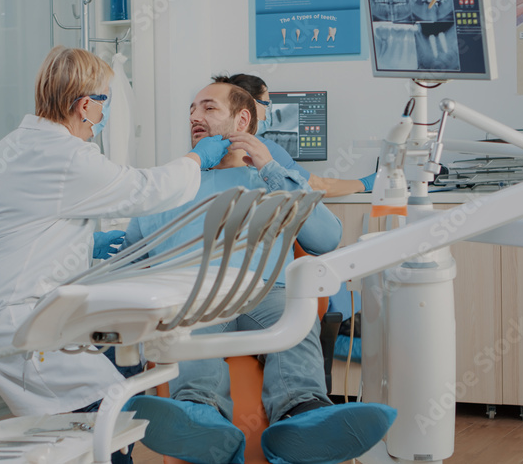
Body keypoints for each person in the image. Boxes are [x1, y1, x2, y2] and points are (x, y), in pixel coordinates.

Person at [0, 46, 231, 463]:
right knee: (105, 410)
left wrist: (81, 245)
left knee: (112, 351)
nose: (105, 114)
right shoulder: (66, 156)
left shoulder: (11, 148)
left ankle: (122, 419)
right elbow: (143, 190)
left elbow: (20, 225)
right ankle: (114, 432)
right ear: (85, 105)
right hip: (1, 312)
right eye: (105, 101)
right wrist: (196, 160)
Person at [124, 82, 396, 464]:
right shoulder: (174, 182)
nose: (194, 118)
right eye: (190, 110)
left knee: (294, 324)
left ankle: (302, 416)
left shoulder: (272, 180)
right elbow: (132, 246)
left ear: (242, 119)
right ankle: (200, 421)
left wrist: (271, 169)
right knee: (190, 332)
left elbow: (326, 238)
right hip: (198, 293)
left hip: (267, 292)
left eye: (208, 108)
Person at [227, 73, 375, 198]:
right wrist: (365, 183)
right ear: (251, 105)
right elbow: (315, 186)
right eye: (266, 104)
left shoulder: (213, 142)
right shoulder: (260, 146)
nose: (268, 110)